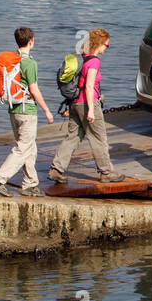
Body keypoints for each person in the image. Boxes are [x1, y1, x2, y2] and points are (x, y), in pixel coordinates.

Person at [48, 28, 125, 184]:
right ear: (99, 43)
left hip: (75, 103)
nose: (106, 48)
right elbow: (89, 86)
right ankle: (106, 172)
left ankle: (56, 169)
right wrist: (91, 110)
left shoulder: (83, 58)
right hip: (88, 103)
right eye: (106, 45)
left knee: (73, 137)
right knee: (99, 138)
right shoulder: (94, 61)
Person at [0, 27, 54, 198]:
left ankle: (30, 184)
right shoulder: (29, 62)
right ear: (31, 41)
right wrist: (46, 110)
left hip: (14, 109)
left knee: (30, 147)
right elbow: (34, 89)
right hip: (27, 110)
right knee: (22, 148)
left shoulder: (13, 60)